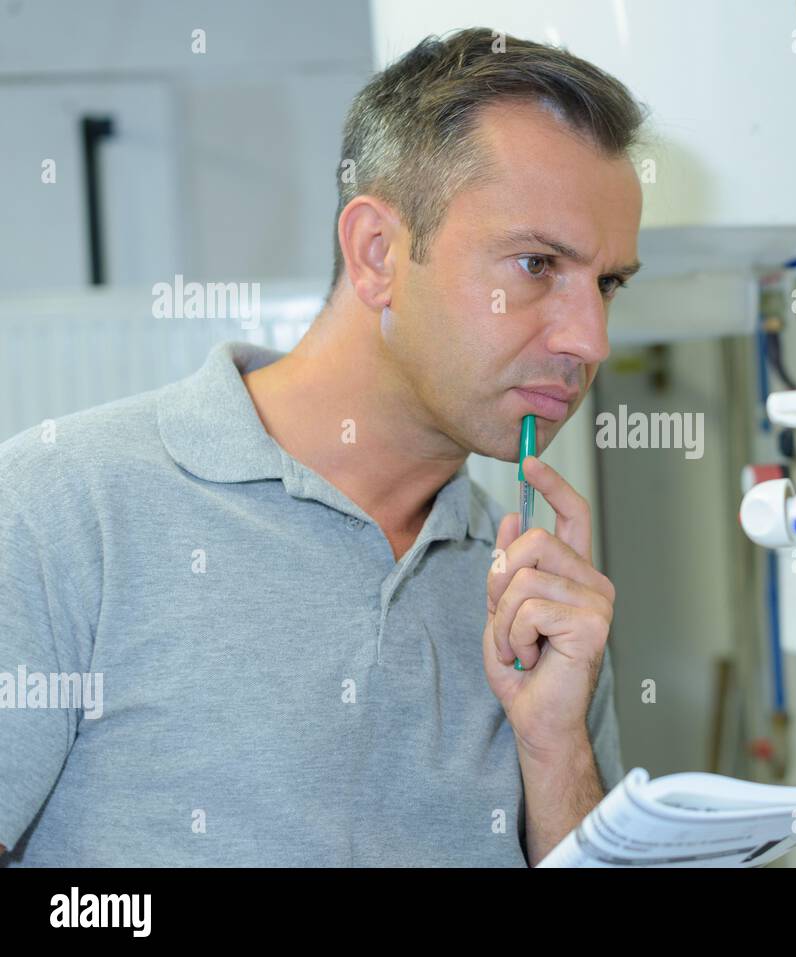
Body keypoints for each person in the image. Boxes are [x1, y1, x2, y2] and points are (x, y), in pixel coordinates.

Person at [0, 26, 645, 866]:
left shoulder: (537, 586)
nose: (590, 339)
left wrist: (557, 744)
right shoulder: (58, 510)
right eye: (535, 264)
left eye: (607, 284)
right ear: (378, 253)